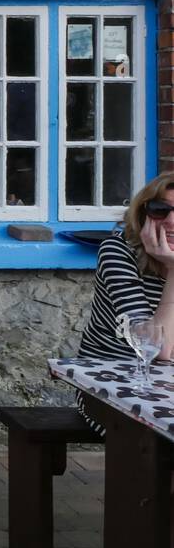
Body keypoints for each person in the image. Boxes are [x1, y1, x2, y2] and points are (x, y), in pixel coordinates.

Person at [75, 171, 174, 435]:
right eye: (160, 210)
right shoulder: (118, 252)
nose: (171, 221)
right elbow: (157, 349)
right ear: (143, 213)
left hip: (169, 389)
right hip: (111, 389)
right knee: (152, 440)